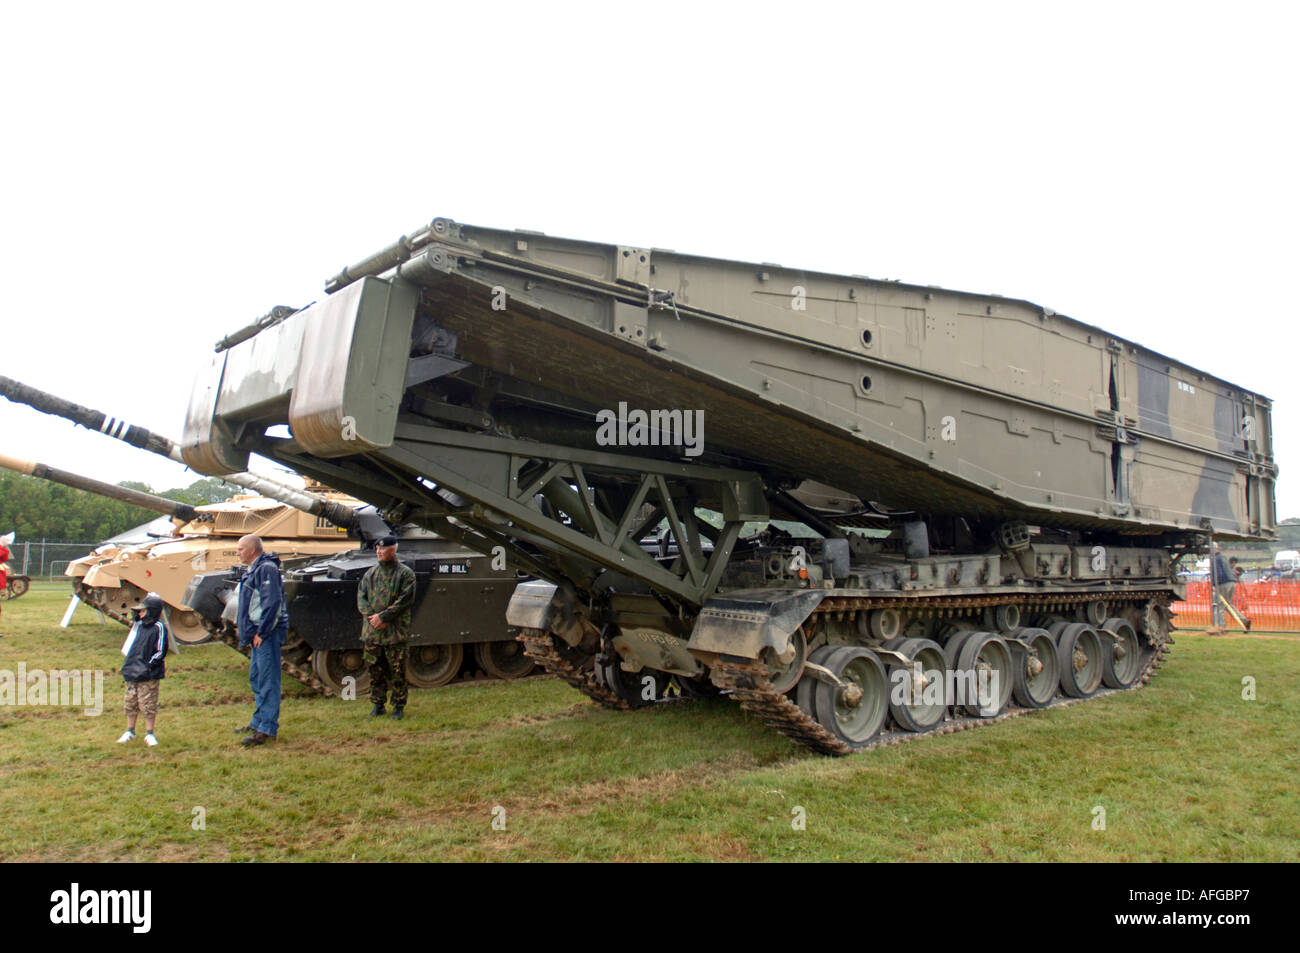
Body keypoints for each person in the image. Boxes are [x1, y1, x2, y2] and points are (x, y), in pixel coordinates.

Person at [235, 534, 288, 747]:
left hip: (267, 633)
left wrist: (262, 632)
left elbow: (272, 604)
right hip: (258, 632)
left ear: (252, 550)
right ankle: (258, 721)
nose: (237, 552)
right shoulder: (255, 569)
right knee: (257, 678)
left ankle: (266, 728)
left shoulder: (266, 569)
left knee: (267, 680)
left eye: (240, 549)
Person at [357, 535, 417, 720]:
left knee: (397, 670)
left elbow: (404, 600)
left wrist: (384, 617)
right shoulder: (370, 574)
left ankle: (398, 706)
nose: (379, 552)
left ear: (393, 550)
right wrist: (372, 618)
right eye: (377, 549)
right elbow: (362, 596)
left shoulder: (405, 574)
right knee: (375, 670)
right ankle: (378, 704)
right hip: (373, 632)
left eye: (383, 549)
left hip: (394, 632)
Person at [117, 593, 168, 747]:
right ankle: (130, 731)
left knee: (148, 704)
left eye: (143, 611)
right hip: (132, 671)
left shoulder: (159, 627)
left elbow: (160, 651)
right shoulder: (138, 626)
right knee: (130, 702)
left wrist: (149, 666)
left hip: (148, 673)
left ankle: (150, 733)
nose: (139, 613)